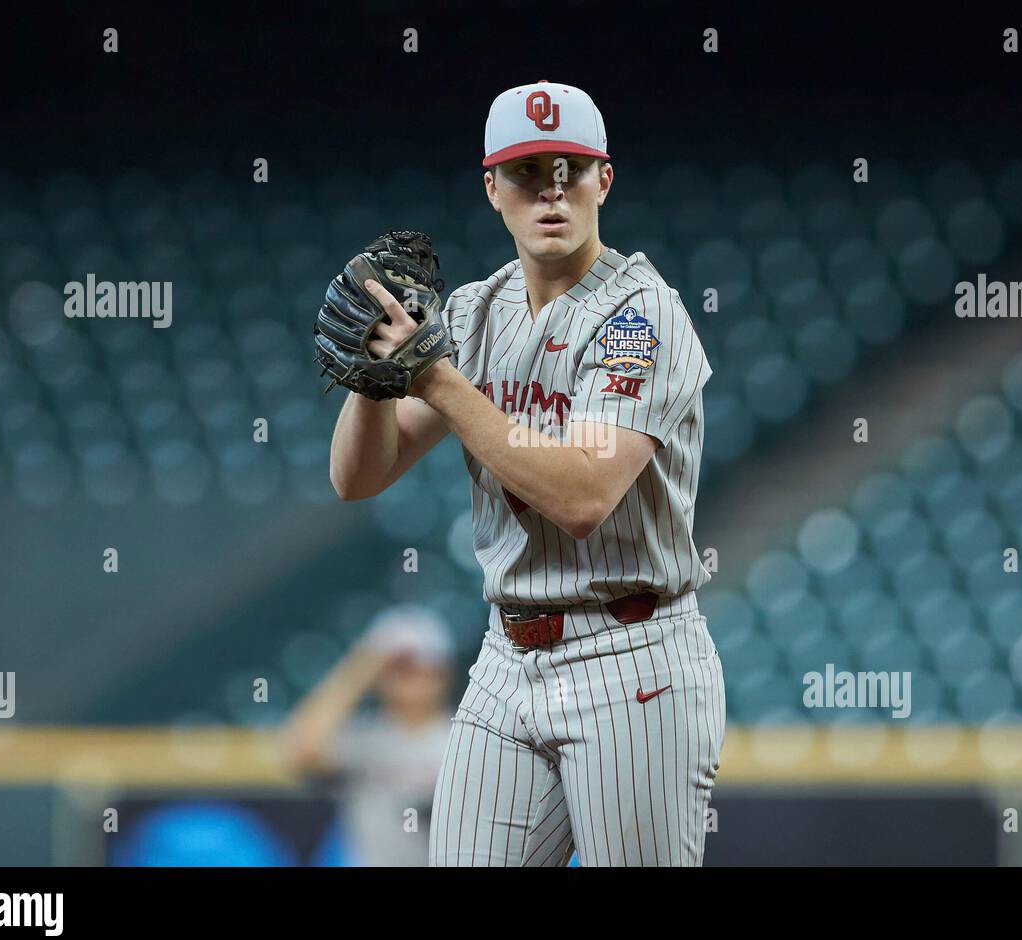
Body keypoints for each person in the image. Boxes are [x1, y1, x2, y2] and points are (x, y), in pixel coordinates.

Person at [328, 80, 724, 866]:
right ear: (492, 189)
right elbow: (357, 478)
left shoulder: (641, 314)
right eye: (527, 169)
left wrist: (433, 376)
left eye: (570, 168)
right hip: (507, 657)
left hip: (632, 660)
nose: (551, 189)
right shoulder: (474, 314)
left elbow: (583, 496)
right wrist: (373, 374)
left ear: (603, 180)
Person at [281, 605, 454, 867]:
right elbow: (300, 751)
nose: (412, 678)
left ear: (442, 672)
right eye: (399, 667)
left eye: (419, 665)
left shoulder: (465, 737)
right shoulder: (365, 737)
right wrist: (362, 667)